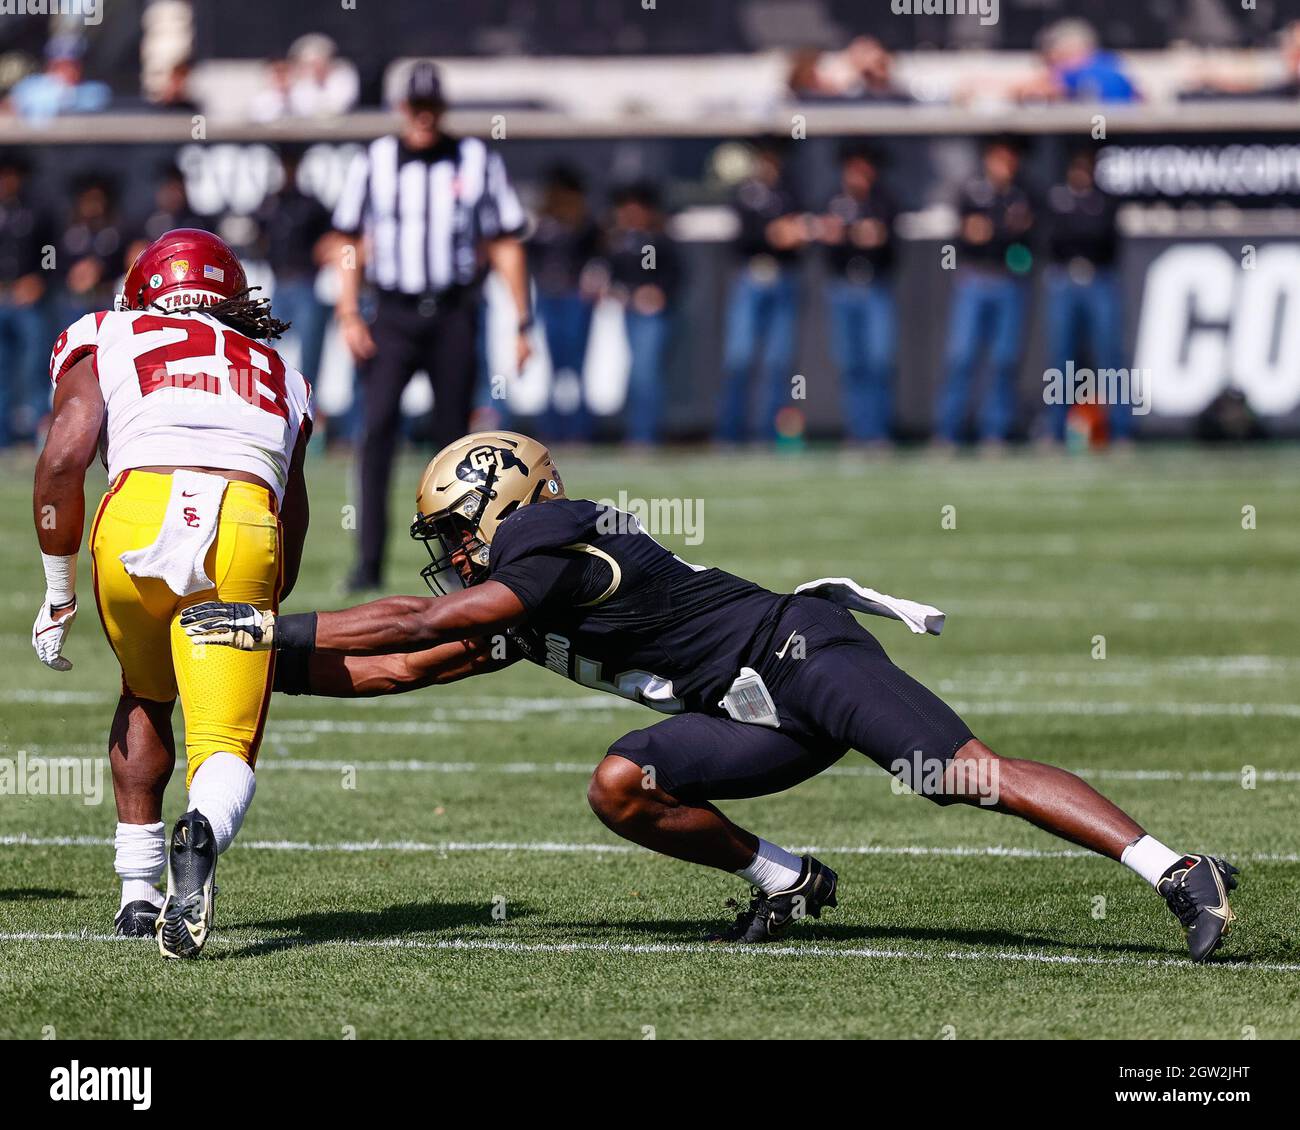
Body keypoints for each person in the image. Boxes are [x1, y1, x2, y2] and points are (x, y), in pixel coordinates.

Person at [183, 431, 1239, 962]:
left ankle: (1176, 868)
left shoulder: (550, 539)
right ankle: (782, 878)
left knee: (958, 775)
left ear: (501, 504)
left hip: (793, 652)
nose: (451, 555)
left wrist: (267, 622)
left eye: (457, 531)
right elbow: (402, 666)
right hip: (742, 712)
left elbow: (419, 626)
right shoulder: (521, 586)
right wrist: (251, 663)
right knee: (619, 783)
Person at [33, 229, 313, 959]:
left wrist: (58, 589)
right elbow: (297, 512)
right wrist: (263, 609)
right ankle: (205, 831)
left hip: (135, 515)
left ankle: (136, 892)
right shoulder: (282, 368)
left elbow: (66, 454)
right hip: (246, 518)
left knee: (144, 691)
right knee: (224, 739)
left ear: (143, 294)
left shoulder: (108, 330)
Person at [331, 61, 532, 591]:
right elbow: (347, 241)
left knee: (454, 446)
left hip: (452, 312)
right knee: (376, 433)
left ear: (441, 109)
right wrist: (349, 312)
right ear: (402, 109)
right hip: (392, 315)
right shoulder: (374, 160)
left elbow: (506, 239)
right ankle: (368, 561)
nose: (423, 117)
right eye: (414, 106)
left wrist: (522, 319)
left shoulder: (475, 159)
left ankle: (459, 561)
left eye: (431, 107)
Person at [936, 136, 1034, 448]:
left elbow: (1024, 235)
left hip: (1009, 280)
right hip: (975, 279)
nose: (1004, 166)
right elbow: (965, 233)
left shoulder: (1023, 194)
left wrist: (995, 230)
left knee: (1003, 359)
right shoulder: (972, 190)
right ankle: (948, 431)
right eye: (999, 158)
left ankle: (994, 432)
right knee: (961, 357)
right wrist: (991, 229)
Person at [715, 137, 808, 444]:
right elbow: (741, 239)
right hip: (751, 277)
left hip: (783, 278)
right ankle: (730, 432)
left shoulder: (791, 191)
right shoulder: (745, 193)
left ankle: (768, 434)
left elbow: (799, 235)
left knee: (777, 361)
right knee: (738, 358)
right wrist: (770, 235)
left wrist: (790, 235)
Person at [1042, 148, 1129, 447]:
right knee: (1061, 361)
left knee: (1110, 358)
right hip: (1065, 279)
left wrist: (1080, 232)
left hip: (1098, 279)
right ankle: (1054, 432)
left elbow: (1102, 238)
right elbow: (1054, 239)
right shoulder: (1057, 199)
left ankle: (1121, 431)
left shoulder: (1104, 201)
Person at [819, 144, 898, 446]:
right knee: (851, 363)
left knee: (879, 360)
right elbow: (828, 237)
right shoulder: (833, 199)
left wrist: (850, 233)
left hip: (875, 286)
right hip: (842, 287)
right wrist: (853, 234)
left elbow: (881, 238)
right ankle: (857, 430)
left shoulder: (884, 200)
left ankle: (879, 432)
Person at [255, 148, 334, 433]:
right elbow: (259, 235)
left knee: (310, 353)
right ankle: (264, 409)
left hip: (304, 283)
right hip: (279, 283)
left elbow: (331, 235)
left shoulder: (310, 205)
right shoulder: (271, 203)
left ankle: (308, 415)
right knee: (261, 350)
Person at [527, 164, 601, 442]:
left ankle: (579, 431)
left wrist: (591, 279)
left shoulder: (584, 222)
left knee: (576, 365)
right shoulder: (543, 223)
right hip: (550, 296)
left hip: (574, 298)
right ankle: (551, 430)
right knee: (553, 366)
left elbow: (597, 258)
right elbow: (530, 256)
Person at [605, 182, 680, 446]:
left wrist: (657, 292)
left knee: (646, 373)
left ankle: (645, 434)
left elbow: (675, 276)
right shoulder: (620, 242)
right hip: (629, 313)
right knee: (636, 373)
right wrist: (622, 292)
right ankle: (638, 432)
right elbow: (614, 277)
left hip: (653, 316)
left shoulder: (659, 240)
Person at [0, 151, 53, 446]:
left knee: (34, 367)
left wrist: (39, 279)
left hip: (25, 299)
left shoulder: (36, 211)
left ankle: (39, 437)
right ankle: (3, 439)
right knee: (1, 369)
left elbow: (53, 253)